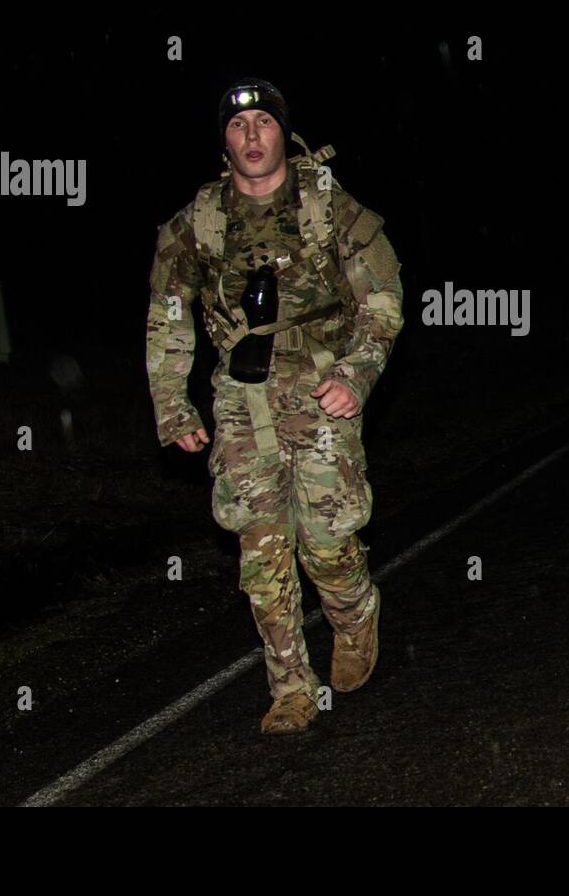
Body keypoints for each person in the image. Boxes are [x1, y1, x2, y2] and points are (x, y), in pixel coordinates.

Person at [146, 78, 404, 734]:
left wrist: (357, 372)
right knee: (262, 553)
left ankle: (354, 611)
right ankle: (290, 684)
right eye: (237, 126)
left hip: (322, 388)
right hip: (241, 399)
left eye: (263, 121)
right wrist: (172, 403)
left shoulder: (327, 206)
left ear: (282, 132)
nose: (251, 135)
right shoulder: (200, 221)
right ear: (224, 140)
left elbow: (381, 303)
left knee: (326, 541)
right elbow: (168, 315)